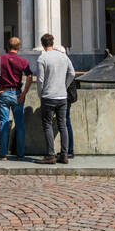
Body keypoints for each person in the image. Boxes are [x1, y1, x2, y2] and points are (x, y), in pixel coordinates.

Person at [36, 33, 75, 165]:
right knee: (62, 125)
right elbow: (72, 73)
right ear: (52, 43)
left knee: (47, 125)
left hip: (48, 96)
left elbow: (40, 80)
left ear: (42, 44)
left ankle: (50, 155)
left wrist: (40, 93)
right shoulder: (63, 57)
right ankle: (64, 155)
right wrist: (65, 85)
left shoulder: (42, 58)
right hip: (62, 95)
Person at [0, 37, 33, 160]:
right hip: (17, 93)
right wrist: (24, 92)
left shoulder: (0, 59)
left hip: (4, 92)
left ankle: (3, 153)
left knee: (4, 123)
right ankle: (20, 153)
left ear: (7, 46)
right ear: (18, 47)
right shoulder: (22, 61)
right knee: (20, 124)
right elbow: (30, 77)